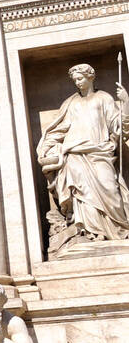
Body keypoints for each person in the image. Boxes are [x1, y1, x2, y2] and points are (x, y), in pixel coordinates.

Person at [37, 63, 129, 241]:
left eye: (80, 79)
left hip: (100, 152)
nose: (78, 83)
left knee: (110, 188)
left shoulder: (104, 98)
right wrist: (48, 148)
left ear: (90, 77)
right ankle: (92, 232)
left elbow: (119, 126)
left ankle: (118, 228)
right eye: (75, 80)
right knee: (82, 194)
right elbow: (58, 129)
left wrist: (125, 102)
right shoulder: (70, 103)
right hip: (75, 154)